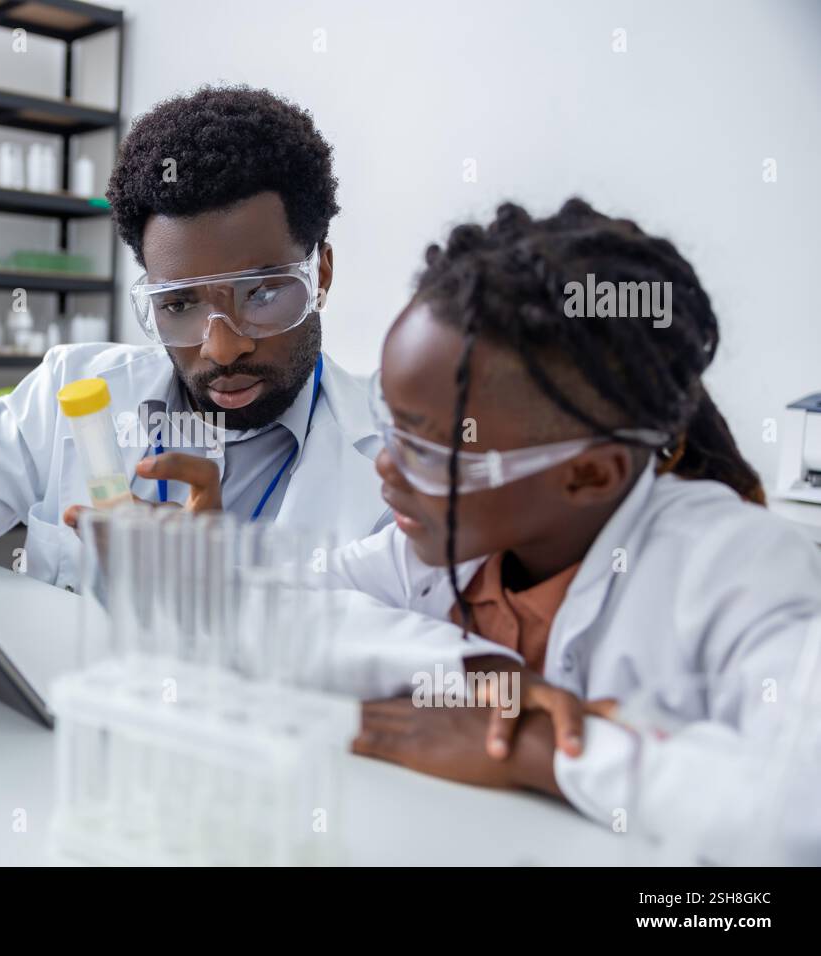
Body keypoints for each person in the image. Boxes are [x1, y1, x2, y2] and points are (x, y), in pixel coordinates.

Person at [0, 85, 387, 636]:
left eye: (260, 295)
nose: (221, 348)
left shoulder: (397, 466)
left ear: (321, 274)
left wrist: (225, 595)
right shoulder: (74, 388)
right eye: (178, 304)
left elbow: (407, 656)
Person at [328, 199, 821, 845]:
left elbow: (799, 812)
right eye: (390, 426)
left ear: (590, 474)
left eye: (430, 449)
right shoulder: (442, 550)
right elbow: (272, 607)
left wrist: (543, 750)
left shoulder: (738, 565)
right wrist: (473, 669)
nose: (386, 466)